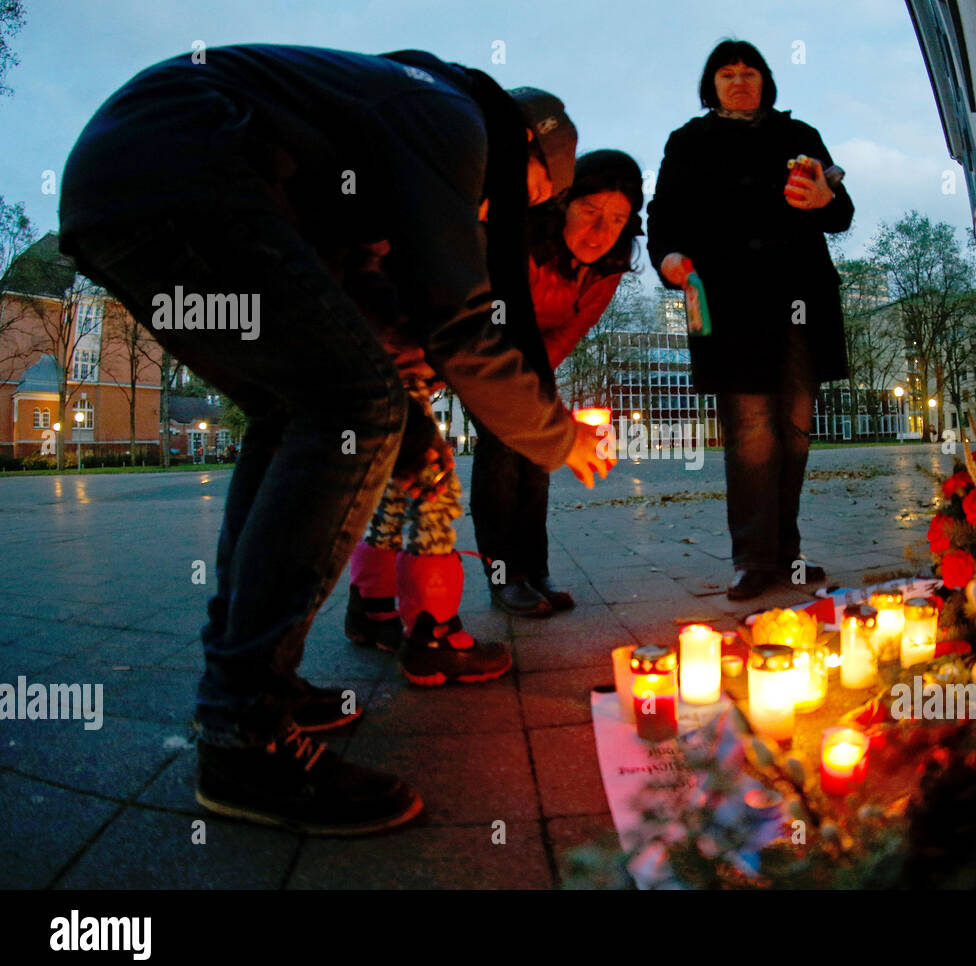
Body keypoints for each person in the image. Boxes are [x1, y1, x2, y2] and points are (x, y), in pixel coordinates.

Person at [57, 44, 612, 836]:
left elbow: (355, 307)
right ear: (528, 144)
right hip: (185, 175)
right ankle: (244, 729)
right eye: (525, 196)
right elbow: (459, 320)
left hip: (126, 191)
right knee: (353, 407)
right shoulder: (453, 120)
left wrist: (406, 391)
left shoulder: (379, 121)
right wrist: (554, 437)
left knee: (300, 407)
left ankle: (249, 688)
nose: (495, 216)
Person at [346, 151, 641, 658]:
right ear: (563, 202)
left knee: (532, 460)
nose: (601, 231)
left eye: (617, 219)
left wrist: (537, 395)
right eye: (590, 211)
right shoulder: (514, 240)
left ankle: (531, 569)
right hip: (475, 355)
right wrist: (513, 395)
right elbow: (480, 323)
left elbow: (571, 330)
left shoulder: (607, 269)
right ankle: (481, 591)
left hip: (513, 362)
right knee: (490, 457)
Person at [647, 40, 853, 601]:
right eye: (727, 72)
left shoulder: (799, 136)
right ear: (711, 84)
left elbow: (842, 209)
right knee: (752, 434)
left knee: (795, 432)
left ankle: (787, 556)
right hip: (733, 307)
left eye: (750, 71)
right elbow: (662, 215)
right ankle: (752, 559)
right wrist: (667, 258)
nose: (739, 80)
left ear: (765, 81)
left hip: (801, 302)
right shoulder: (689, 142)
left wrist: (822, 202)